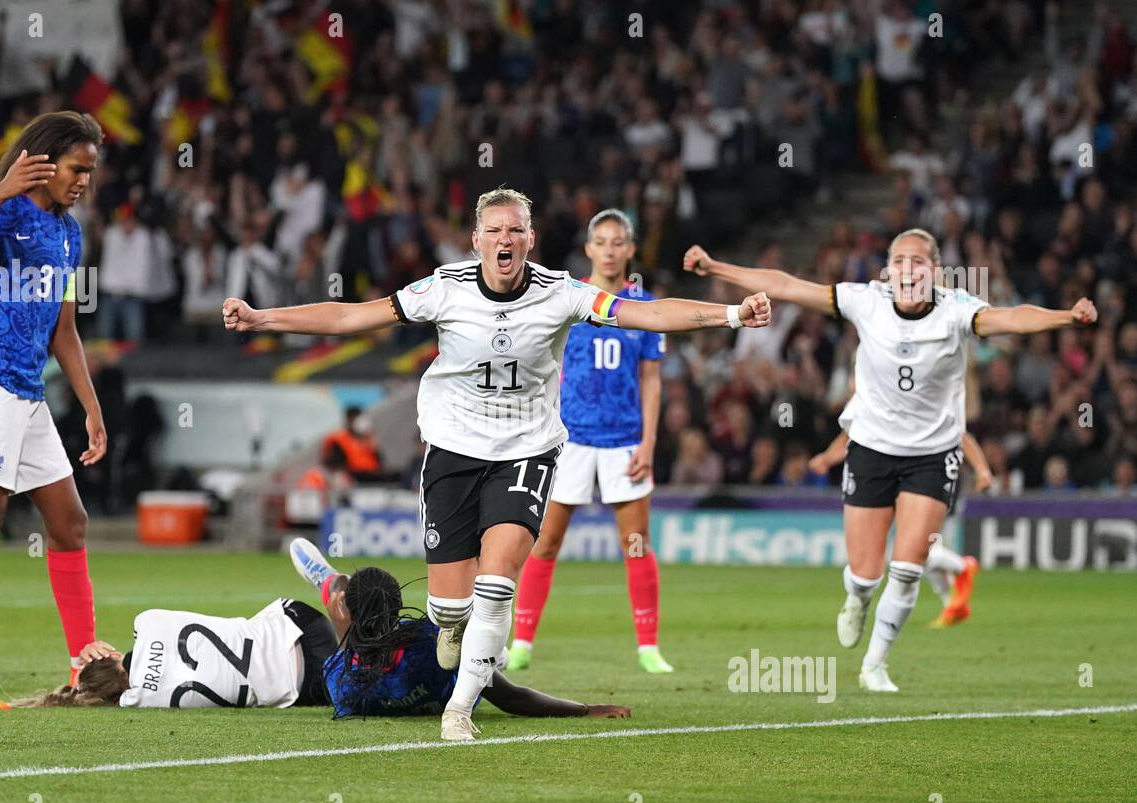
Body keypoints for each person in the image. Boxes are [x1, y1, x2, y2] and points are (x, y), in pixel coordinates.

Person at [225, 187, 771, 739]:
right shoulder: (444, 288)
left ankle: (458, 711)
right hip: (453, 450)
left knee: (498, 582)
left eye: (516, 230)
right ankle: (456, 630)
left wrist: (730, 314)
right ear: (477, 241)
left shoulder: (563, 292)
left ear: (530, 239)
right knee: (447, 609)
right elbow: (353, 319)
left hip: (526, 450)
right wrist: (263, 318)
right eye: (495, 230)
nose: (505, 239)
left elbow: (645, 314)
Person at [685, 228, 1096, 691]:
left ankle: (874, 665)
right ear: (887, 269)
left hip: (932, 456)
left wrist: (1066, 318)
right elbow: (785, 285)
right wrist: (716, 267)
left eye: (918, 261)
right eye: (899, 260)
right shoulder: (866, 301)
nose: (907, 269)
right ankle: (857, 599)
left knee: (907, 568)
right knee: (866, 575)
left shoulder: (957, 311)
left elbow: (1014, 318)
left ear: (935, 271)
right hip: (871, 449)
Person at [17, 538, 631, 723]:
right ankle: (329, 584)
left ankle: (333, 588)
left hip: (309, 669)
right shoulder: (147, 624)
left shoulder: (143, 701)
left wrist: (89, 676)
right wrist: (583, 709)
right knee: (341, 630)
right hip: (295, 632)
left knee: (343, 650)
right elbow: (510, 692)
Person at [0, 111, 107, 709]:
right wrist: (1, 189)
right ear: (44, 161)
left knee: (69, 522)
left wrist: (90, 407)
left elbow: (65, 329)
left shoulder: (69, 233)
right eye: (76, 168)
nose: (84, 180)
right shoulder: (3, 207)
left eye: (90, 171)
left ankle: (84, 668)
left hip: (29, 392)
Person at [510, 208, 673, 674]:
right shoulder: (567, 298)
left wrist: (648, 442)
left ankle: (648, 647)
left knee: (636, 544)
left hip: (624, 440)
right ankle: (521, 641)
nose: (609, 249)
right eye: (601, 242)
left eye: (618, 241)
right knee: (544, 543)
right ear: (588, 249)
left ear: (630, 249)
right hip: (571, 439)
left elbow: (652, 381)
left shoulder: (644, 305)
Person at [809, 397, 990, 628]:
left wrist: (982, 470)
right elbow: (851, 435)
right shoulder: (874, 395)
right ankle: (953, 605)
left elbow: (959, 434)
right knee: (920, 550)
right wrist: (827, 458)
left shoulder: (913, 394)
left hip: (932, 480)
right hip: (899, 481)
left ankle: (963, 567)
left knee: (915, 551)